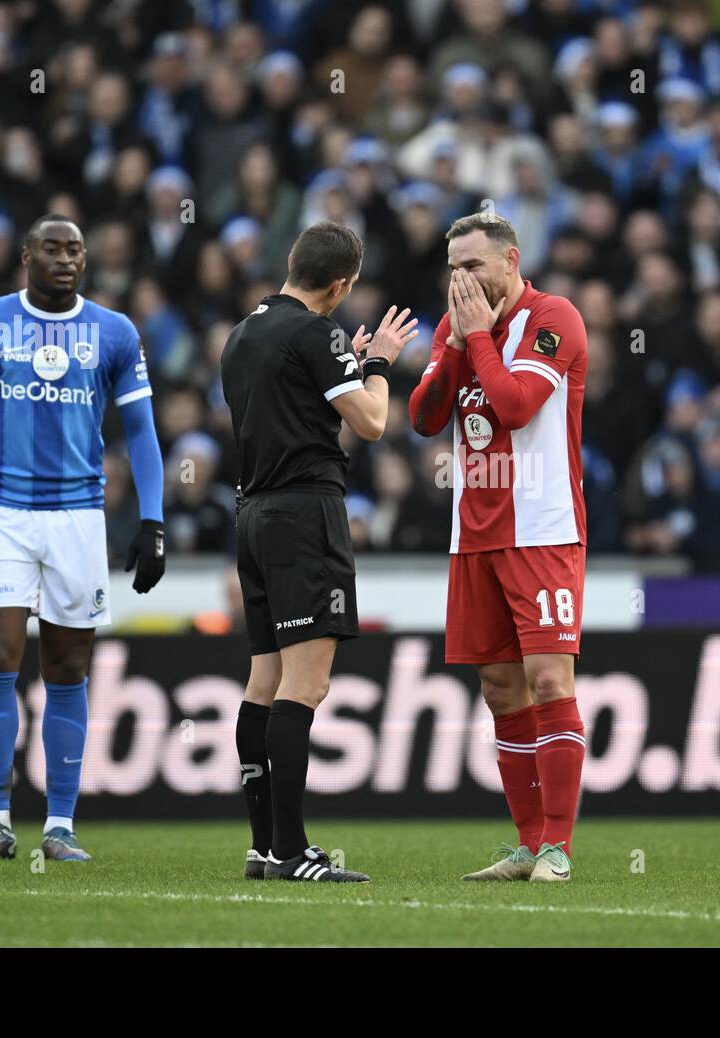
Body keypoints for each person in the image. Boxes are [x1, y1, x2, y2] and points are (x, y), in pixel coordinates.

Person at [0, 214, 166, 863]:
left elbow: (141, 432)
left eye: (76, 250)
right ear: (27, 255)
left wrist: (152, 521)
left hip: (78, 518)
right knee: (0, 652)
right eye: (53, 249)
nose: (66, 259)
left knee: (67, 666)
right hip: (1, 510)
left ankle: (59, 825)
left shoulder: (114, 331)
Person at [221, 221, 417, 883]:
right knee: (307, 685)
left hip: (251, 514)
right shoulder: (315, 331)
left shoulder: (242, 334)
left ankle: (261, 845)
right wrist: (378, 365)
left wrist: (342, 367)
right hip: (305, 515)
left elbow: (291, 407)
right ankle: (291, 849)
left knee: (264, 681)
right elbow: (372, 421)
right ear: (340, 285)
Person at [408, 211, 588, 883]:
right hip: (474, 534)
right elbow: (425, 419)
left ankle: (558, 850)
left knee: (548, 680)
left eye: (474, 266)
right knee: (499, 689)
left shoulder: (554, 318)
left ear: (510, 261)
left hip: (542, 528)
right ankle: (527, 842)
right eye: (453, 268)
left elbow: (513, 405)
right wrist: (455, 344)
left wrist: (477, 336)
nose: (462, 280)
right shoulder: (455, 328)